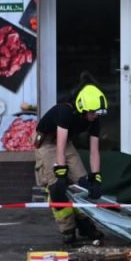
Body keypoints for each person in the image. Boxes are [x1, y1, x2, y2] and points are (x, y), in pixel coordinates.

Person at [34, 73, 107, 244]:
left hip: (65, 142)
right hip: (47, 142)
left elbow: (94, 150)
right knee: (56, 188)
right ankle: (67, 228)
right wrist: (60, 173)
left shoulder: (93, 119)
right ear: (83, 107)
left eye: (98, 112)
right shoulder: (65, 112)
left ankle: (84, 222)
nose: (95, 116)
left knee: (82, 182)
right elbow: (58, 145)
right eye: (93, 112)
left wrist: (96, 177)